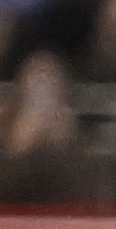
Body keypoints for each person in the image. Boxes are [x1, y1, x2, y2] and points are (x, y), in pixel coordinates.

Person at [0, 50, 104, 207]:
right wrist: (17, 151)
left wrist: (68, 149)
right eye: (35, 94)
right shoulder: (6, 138)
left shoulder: (80, 144)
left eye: (50, 93)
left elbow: (96, 201)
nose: (43, 107)